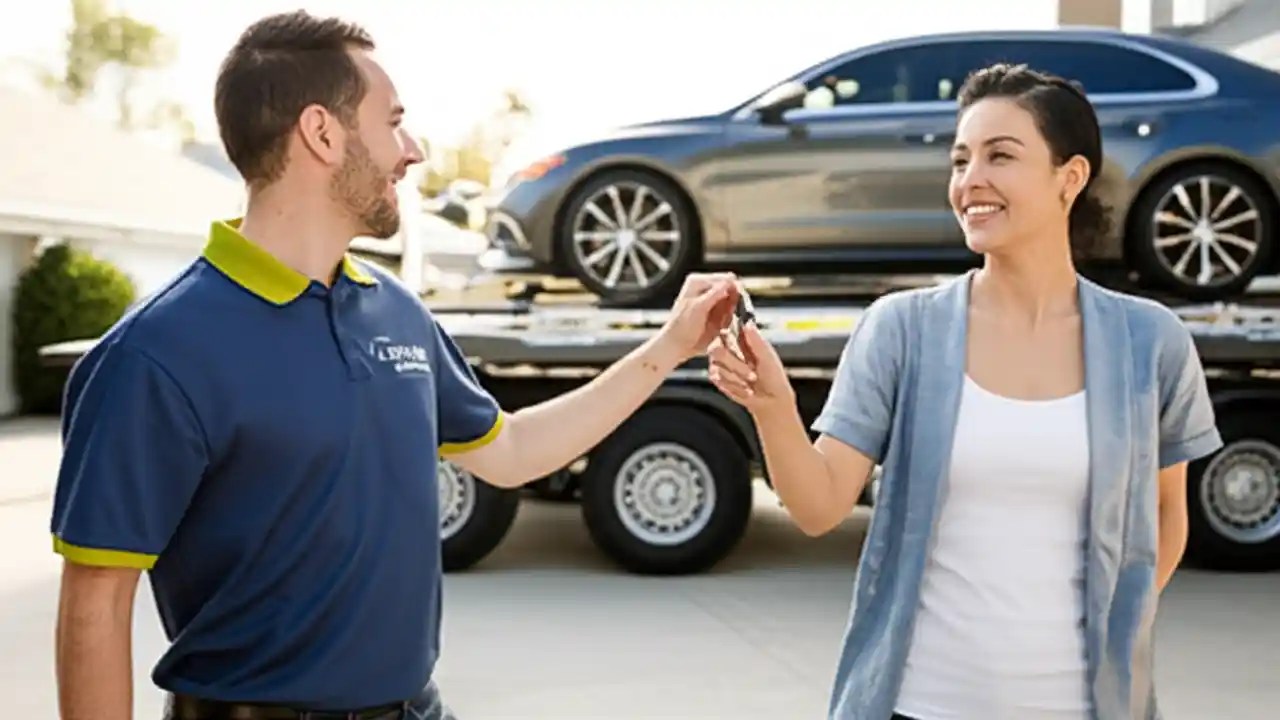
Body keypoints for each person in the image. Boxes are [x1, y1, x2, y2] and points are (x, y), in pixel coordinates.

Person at [50, 10, 739, 720]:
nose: (412, 150)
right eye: (393, 122)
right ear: (322, 133)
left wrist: (669, 348)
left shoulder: (398, 313)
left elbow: (511, 450)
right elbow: (94, 604)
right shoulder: (155, 354)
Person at [708, 63, 1223, 720]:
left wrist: (1118, 631)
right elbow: (817, 507)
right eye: (960, 159)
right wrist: (772, 407)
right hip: (919, 705)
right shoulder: (902, 330)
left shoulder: (1151, 341)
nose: (969, 180)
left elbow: (1165, 514)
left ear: (1070, 177)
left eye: (1000, 155)